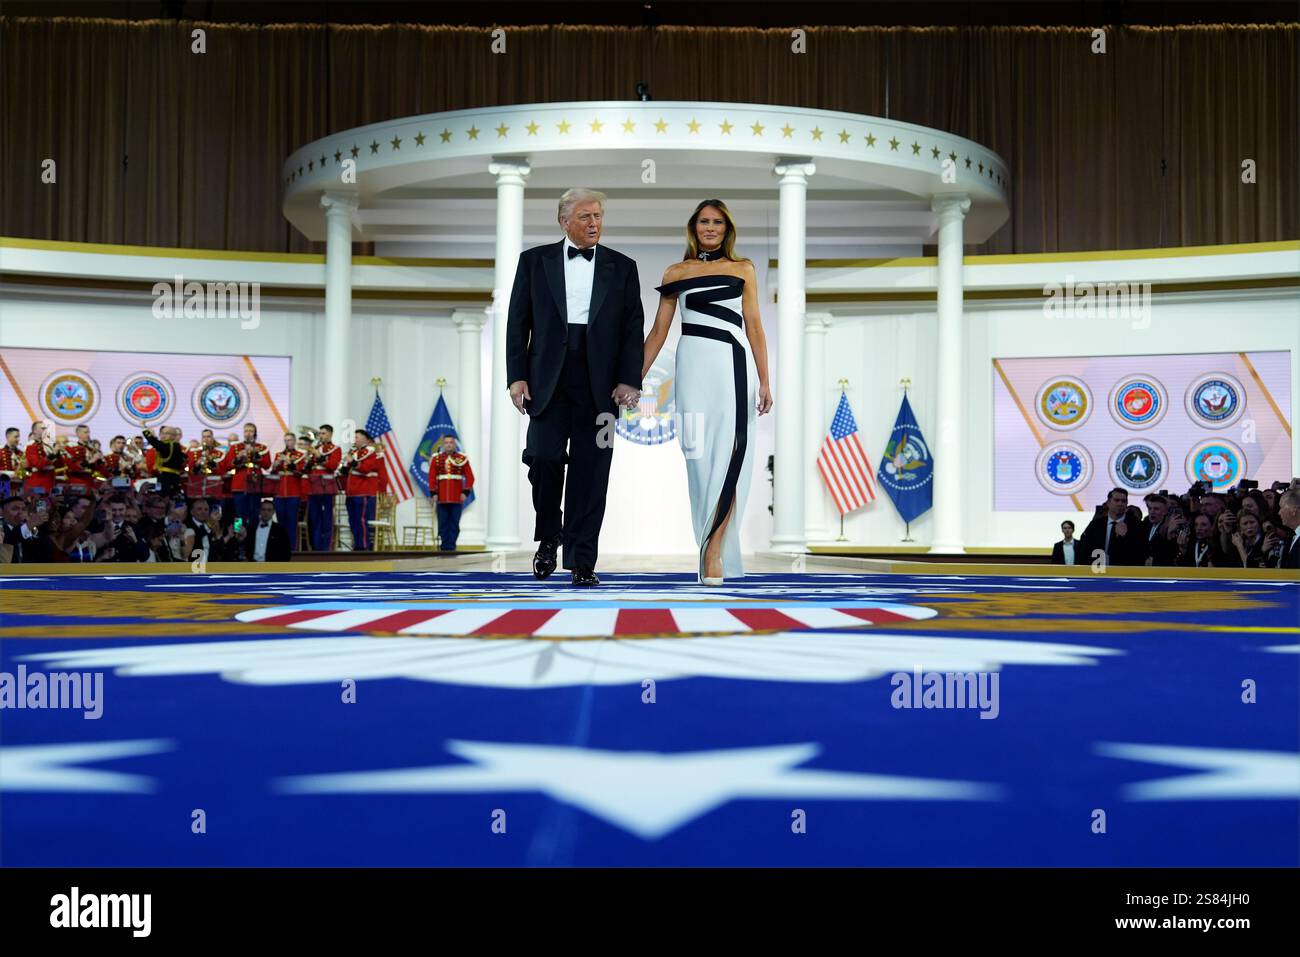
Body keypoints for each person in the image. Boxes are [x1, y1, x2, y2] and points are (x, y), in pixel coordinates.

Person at [506, 187, 644, 586]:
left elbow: (632, 328)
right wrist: (516, 376)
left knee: (592, 470)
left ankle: (582, 560)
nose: (594, 223)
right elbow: (518, 322)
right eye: (585, 217)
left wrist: (628, 380)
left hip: (600, 387)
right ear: (563, 221)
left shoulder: (623, 266)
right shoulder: (534, 261)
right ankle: (549, 536)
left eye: (598, 215)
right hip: (547, 381)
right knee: (544, 458)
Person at [644, 199, 773, 584]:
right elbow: (658, 333)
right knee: (699, 460)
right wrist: (632, 380)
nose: (711, 228)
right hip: (693, 370)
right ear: (693, 227)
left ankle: (714, 550)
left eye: (717, 222)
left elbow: (755, 327)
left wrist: (765, 380)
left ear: (727, 228)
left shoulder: (743, 269)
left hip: (733, 367)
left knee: (732, 456)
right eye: (704, 221)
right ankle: (707, 543)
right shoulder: (676, 272)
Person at [429, 434, 474, 551]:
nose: (448, 445)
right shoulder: (437, 458)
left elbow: (470, 477)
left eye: (451, 442)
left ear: (455, 444)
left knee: (454, 524)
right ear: (443, 445)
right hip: (442, 497)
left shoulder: (461, 458)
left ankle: (451, 546)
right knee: (443, 523)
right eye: (446, 443)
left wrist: (465, 492)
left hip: (456, 497)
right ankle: (444, 546)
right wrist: (433, 493)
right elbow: (432, 477)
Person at [1078, 488, 1143, 567]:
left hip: (1125, 573)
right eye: (1116, 500)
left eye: (1123, 501)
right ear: (1108, 503)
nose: (1120, 504)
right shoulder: (1095, 525)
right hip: (1097, 572)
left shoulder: (1136, 525)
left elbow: (1140, 553)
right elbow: (1084, 551)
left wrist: (1126, 536)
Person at [343, 429, 383, 551]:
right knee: (352, 519)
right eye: (354, 437)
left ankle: (364, 546)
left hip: (362, 491)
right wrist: (344, 467)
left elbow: (366, 468)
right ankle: (357, 544)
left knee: (361, 519)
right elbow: (347, 470)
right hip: (351, 491)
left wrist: (353, 462)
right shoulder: (354, 452)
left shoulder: (371, 451)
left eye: (357, 437)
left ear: (365, 439)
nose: (355, 439)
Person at [307, 424, 342, 551]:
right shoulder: (316, 447)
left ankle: (326, 548)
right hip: (313, 487)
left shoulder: (336, 449)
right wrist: (308, 459)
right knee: (314, 518)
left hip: (327, 488)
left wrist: (319, 456)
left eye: (323, 433)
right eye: (320, 433)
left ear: (330, 434)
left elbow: (332, 466)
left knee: (327, 518)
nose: (321, 436)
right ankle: (316, 548)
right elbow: (308, 467)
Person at [241, 497, 292, 562]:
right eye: (263, 509)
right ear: (259, 511)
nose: (266, 512)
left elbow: (286, 553)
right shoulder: (251, 528)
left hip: (272, 568)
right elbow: (246, 548)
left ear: (273, 512)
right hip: (252, 567)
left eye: (269, 510)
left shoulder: (281, 530)